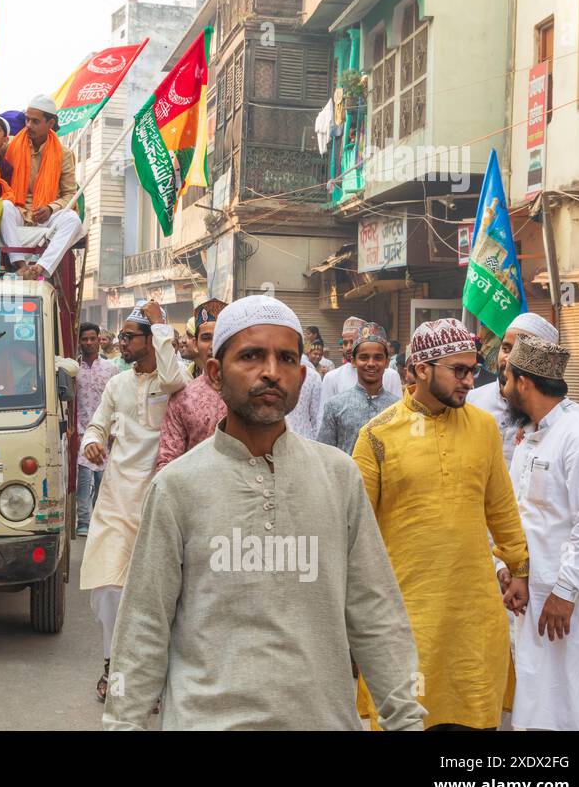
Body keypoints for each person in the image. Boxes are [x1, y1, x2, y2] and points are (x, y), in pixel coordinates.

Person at [104, 295, 426, 731]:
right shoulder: (178, 486)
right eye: (252, 356)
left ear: (300, 373)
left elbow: (376, 612)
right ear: (215, 373)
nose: (271, 371)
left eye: (286, 358)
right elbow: (143, 623)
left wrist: (405, 719)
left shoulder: (338, 477)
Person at [351, 318, 530, 730]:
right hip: (406, 615)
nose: (470, 381)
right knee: (405, 719)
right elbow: (357, 533)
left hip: (473, 614)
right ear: (420, 369)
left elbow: (501, 508)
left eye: (473, 370)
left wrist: (519, 568)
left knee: (473, 717)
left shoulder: (484, 428)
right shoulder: (377, 436)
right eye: (459, 370)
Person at [501, 335, 579, 730]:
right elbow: (518, 515)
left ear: (523, 383)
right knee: (539, 709)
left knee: (577, 709)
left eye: (506, 379)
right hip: (534, 604)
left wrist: (565, 592)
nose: (501, 390)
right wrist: (508, 571)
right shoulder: (531, 438)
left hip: (574, 609)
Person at [78, 300, 184, 702]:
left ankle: (153, 678)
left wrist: (160, 325)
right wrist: (92, 442)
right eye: (120, 336)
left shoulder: (172, 379)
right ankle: (113, 668)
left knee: (157, 594)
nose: (119, 342)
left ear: (148, 339)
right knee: (108, 588)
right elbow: (97, 424)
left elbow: (174, 377)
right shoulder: (117, 384)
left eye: (127, 336)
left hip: (160, 499)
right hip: (117, 497)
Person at [0, 95, 85, 280]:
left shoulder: (64, 154)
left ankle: (40, 268)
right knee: (4, 206)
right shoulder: (12, 146)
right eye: (27, 120)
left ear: (50, 123)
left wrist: (50, 208)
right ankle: (21, 265)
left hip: (45, 214)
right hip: (19, 210)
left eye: (35, 121)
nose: (28, 125)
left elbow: (70, 194)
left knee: (72, 220)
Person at [466, 311, 560, 467]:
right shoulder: (471, 401)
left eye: (520, 352)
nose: (508, 359)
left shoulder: (551, 416)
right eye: (506, 348)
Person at [154, 300, 228, 473]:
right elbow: (167, 462)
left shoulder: (250, 393)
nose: (212, 345)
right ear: (195, 344)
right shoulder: (183, 398)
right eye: (206, 338)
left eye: (220, 336)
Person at [317, 324, 399, 455]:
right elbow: (324, 455)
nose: (371, 363)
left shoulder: (398, 407)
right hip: (346, 475)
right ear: (353, 361)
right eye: (364, 357)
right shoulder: (335, 406)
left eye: (378, 357)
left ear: (387, 362)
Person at [75, 322, 118, 537]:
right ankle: (83, 520)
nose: (89, 343)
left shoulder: (111, 369)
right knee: (83, 480)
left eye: (93, 338)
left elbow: (118, 401)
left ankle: (99, 519)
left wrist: (115, 429)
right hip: (81, 433)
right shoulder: (73, 370)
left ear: (99, 339)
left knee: (102, 480)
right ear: (80, 341)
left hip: (105, 434)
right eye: (85, 339)